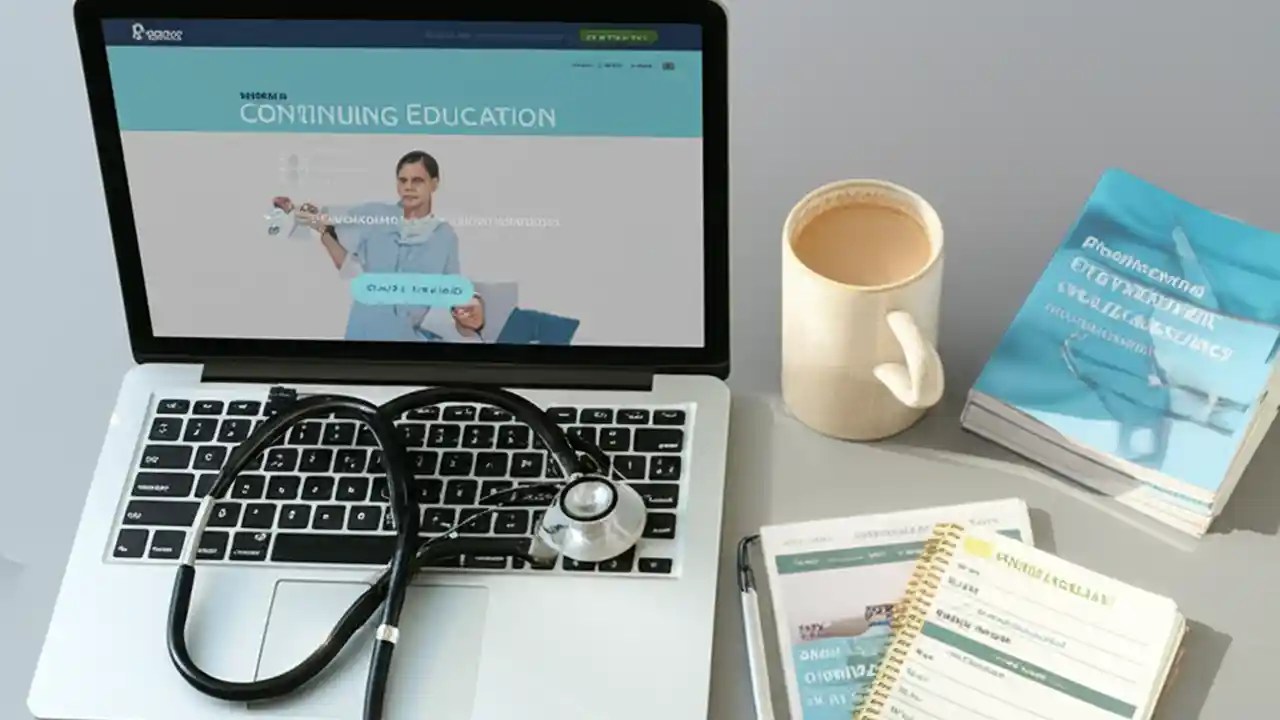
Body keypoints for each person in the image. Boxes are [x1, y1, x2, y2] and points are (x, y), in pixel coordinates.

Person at [273, 150, 485, 341]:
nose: (408, 187)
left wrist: (473, 307)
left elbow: (454, 291)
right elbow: (331, 226)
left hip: (408, 341)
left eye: (417, 180)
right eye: (402, 181)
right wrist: (297, 213)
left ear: (434, 183)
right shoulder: (375, 215)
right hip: (363, 334)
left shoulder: (444, 236)